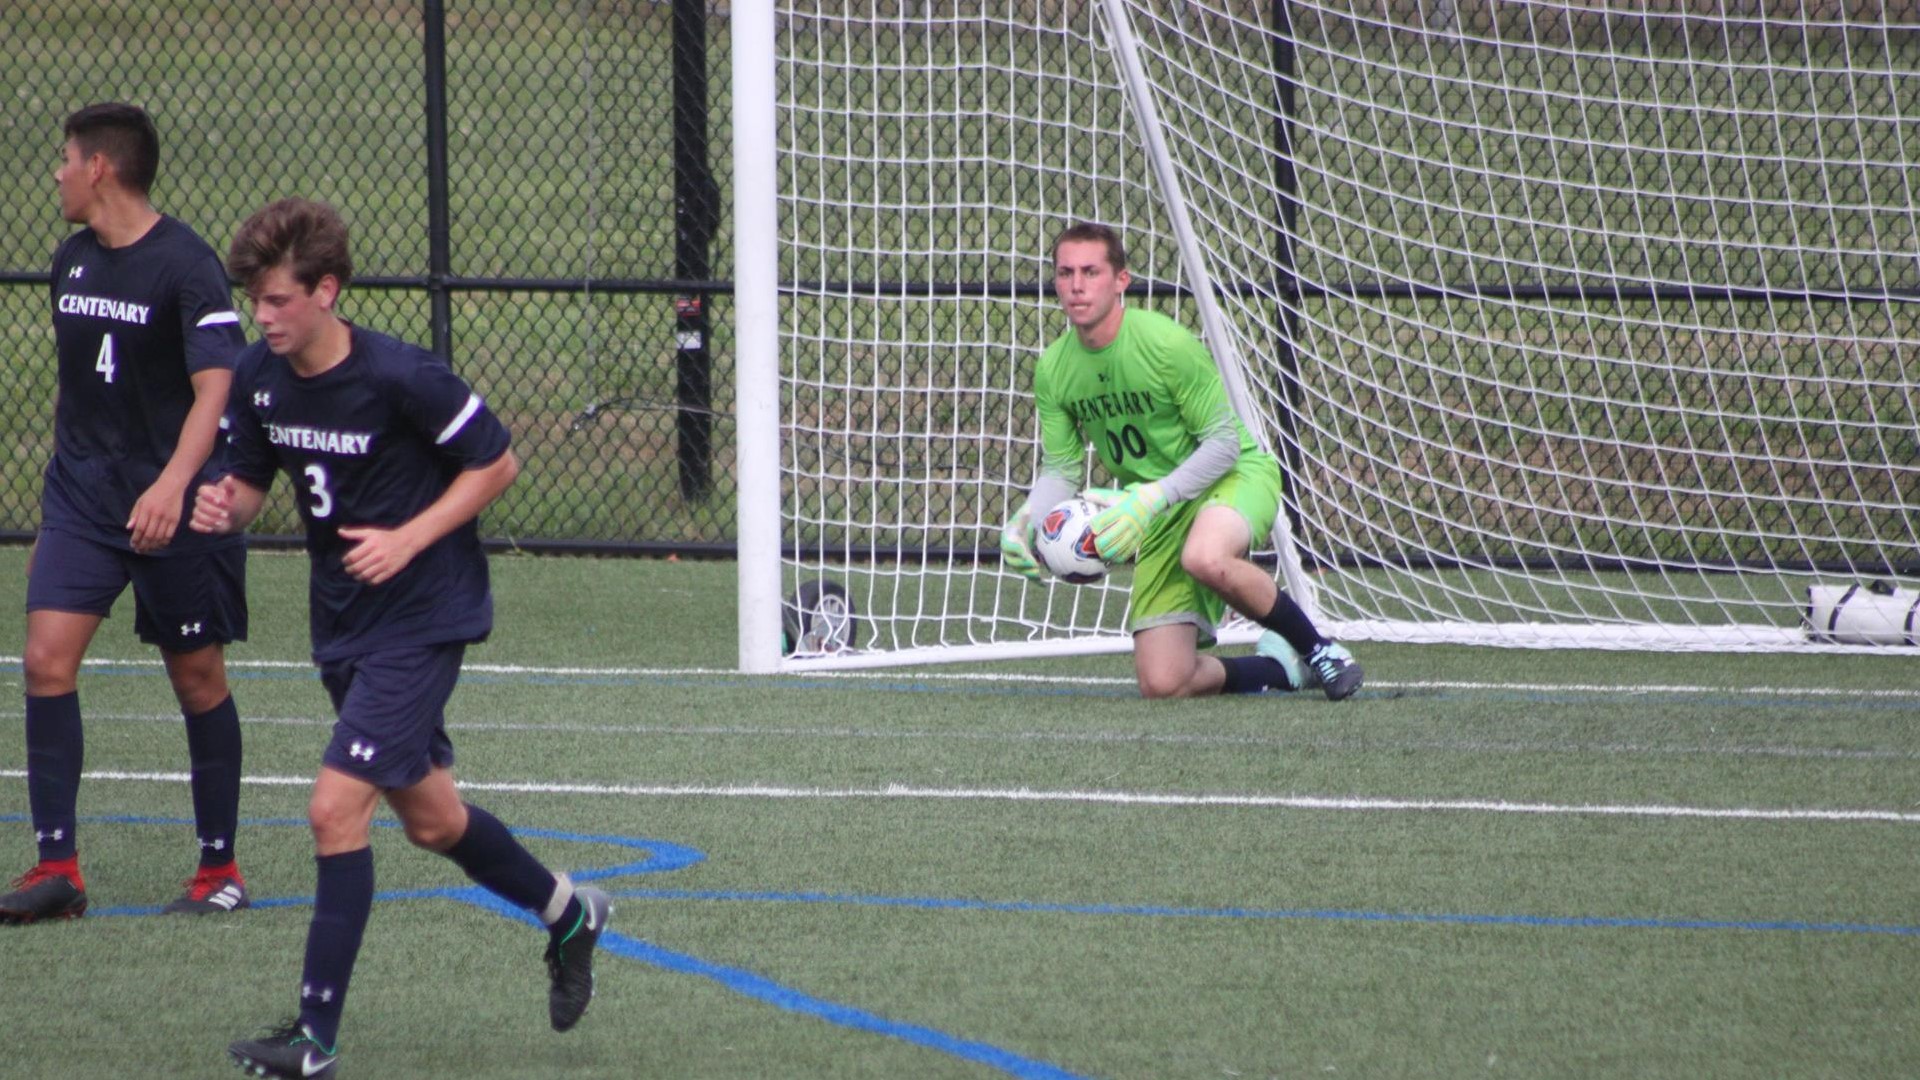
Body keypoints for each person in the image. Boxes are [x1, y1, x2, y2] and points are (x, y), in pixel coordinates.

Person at [192, 198, 610, 1079]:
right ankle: (569, 913)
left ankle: (313, 1040)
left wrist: (409, 538)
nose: (262, 316)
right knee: (433, 820)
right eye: (254, 301)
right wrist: (225, 505)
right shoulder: (258, 375)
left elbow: (496, 462)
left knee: (334, 809)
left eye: (277, 299)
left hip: (423, 617)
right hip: (343, 622)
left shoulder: (401, 375)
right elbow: (253, 482)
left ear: (327, 291)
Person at [2, 103, 252, 925]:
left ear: (100, 168)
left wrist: (173, 487)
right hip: (83, 499)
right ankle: (57, 870)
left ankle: (220, 870)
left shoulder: (188, 265)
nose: (57, 172)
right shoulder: (71, 261)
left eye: (66, 158)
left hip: (174, 501)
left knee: (197, 676)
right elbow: (78, 394)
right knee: (45, 661)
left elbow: (217, 390)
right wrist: (56, 515)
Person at [1002, 222, 1363, 701]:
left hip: (1230, 477)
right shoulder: (1053, 369)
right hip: (1158, 508)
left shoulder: (1166, 345)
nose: (1077, 285)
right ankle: (1282, 668)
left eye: (1091, 272)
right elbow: (1062, 468)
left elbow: (1223, 445)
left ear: (1121, 280)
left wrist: (1154, 496)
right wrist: (1026, 519)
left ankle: (1320, 649)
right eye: (1066, 273)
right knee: (1165, 682)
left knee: (1204, 556)